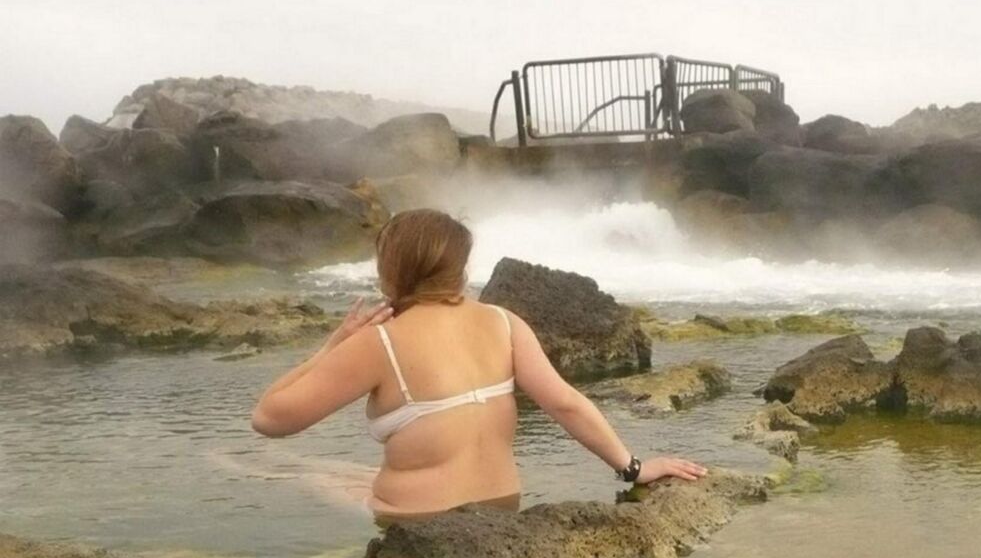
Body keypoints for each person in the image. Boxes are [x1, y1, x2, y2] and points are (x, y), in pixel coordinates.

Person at [251, 209, 706, 521]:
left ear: (390, 270)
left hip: (413, 524)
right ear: (461, 267)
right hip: (501, 507)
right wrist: (634, 468)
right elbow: (566, 404)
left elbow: (269, 419)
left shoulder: (377, 342)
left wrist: (331, 347)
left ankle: (247, 467)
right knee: (337, 472)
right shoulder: (504, 322)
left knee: (302, 469)